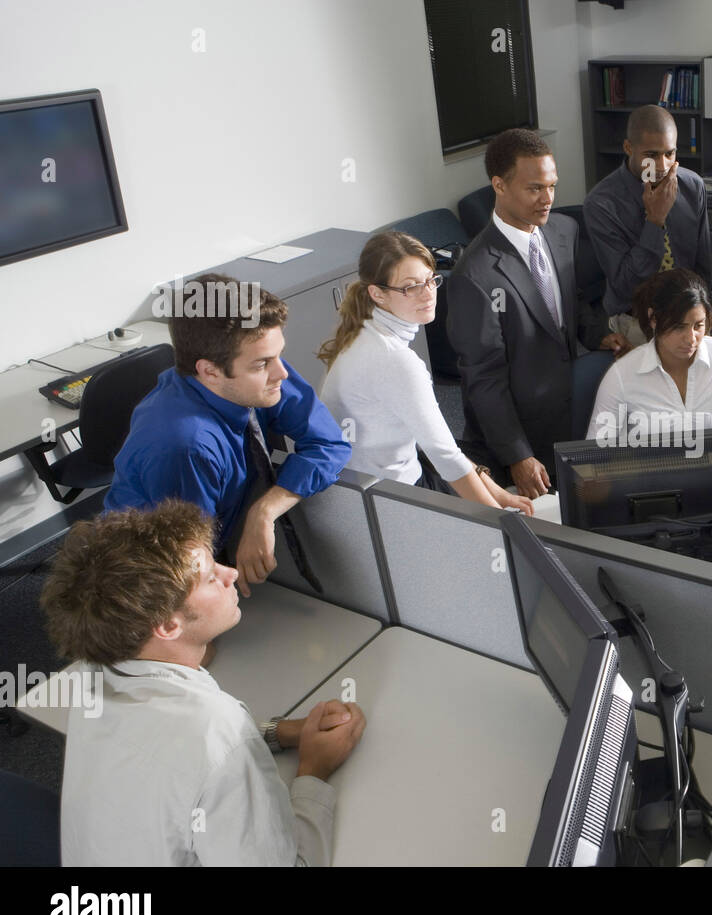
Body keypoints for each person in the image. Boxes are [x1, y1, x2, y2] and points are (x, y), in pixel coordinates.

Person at [41, 501, 366, 866]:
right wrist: (314, 770)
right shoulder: (215, 729)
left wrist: (281, 732)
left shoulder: (98, 670)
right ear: (167, 625)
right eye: (211, 576)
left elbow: (179, 754)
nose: (229, 573)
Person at [106, 274, 350, 597]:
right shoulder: (185, 447)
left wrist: (264, 512)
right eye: (264, 363)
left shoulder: (259, 373)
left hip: (219, 536)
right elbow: (186, 564)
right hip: (153, 578)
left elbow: (330, 445)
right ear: (209, 371)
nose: (282, 373)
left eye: (278, 355)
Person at [317, 231, 532, 513]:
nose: (428, 293)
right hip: (391, 499)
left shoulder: (364, 333)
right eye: (410, 287)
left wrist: (500, 497)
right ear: (377, 293)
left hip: (378, 478)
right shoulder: (396, 361)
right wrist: (504, 523)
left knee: (484, 468)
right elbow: (444, 455)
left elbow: (433, 441)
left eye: (430, 280)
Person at [447, 128, 608, 499]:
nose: (548, 199)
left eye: (551, 186)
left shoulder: (563, 231)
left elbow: (571, 299)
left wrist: (596, 333)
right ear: (499, 185)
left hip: (569, 409)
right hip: (516, 433)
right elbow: (483, 379)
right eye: (534, 188)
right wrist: (518, 455)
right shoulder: (474, 276)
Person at [586, 268, 712, 445]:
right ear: (653, 319)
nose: (690, 339)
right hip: (646, 478)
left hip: (708, 475)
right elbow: (596, 452)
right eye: (678, 327)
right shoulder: (622, 374)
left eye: (698, 326)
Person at [584, 104, 712, 349]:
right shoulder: (601, 203)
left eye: (670, 153)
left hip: (688, 314)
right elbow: (626, 285)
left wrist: (704, 313)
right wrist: (655, 220)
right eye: (651, 155)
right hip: (634, 318)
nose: (662, 165)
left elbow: (702, 265)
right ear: (629, 148)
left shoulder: (692, 185)